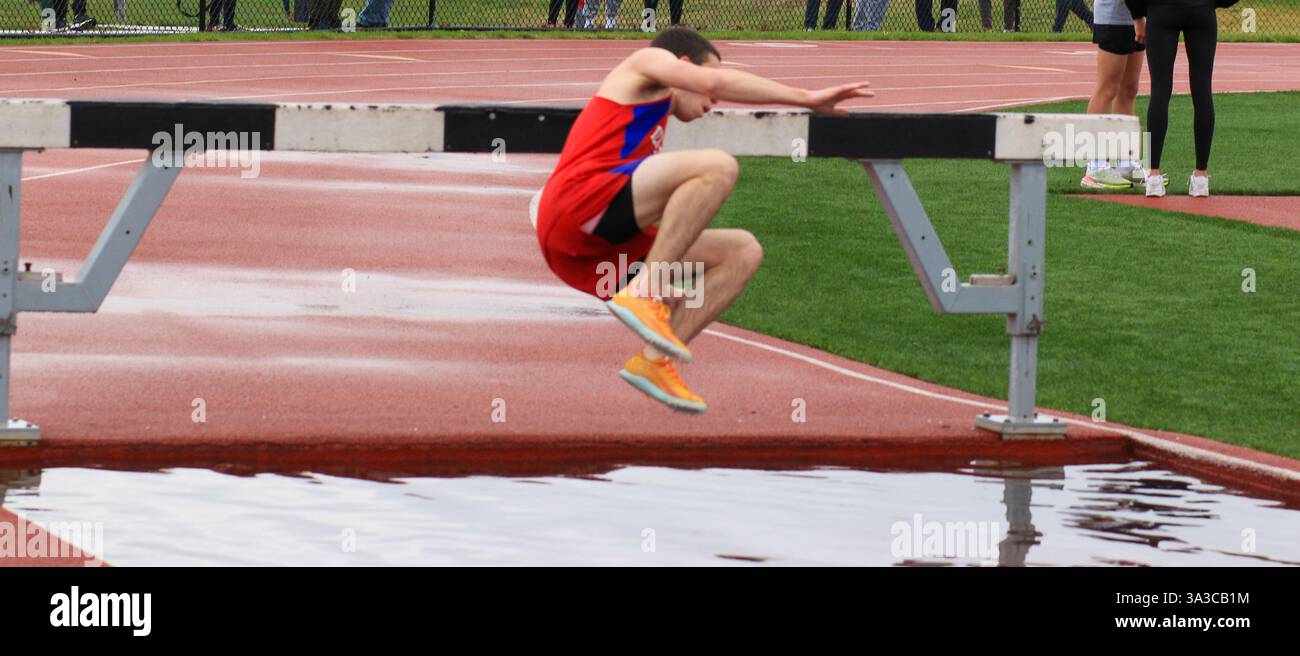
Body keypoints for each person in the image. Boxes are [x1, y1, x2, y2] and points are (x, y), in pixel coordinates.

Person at [533, 27, 871, 413]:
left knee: (742, 251)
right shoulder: (646, 64)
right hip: (575, 206)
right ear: (683, 66)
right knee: (718, 167)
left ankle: (656, 361)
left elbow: (707, 87)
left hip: (594, 248)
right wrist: (806, 98)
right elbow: (713, 81)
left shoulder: (655, 110)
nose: (713, 99)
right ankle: (645, 288)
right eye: (708, 87)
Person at [1128, 0, 1217, 197]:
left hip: (1162, 8)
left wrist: (1138, 13)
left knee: (1159, 90)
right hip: (1200, 9)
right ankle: (1201, 176)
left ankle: (1153, 175)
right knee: (1202, 91)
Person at [1080, 0, 1147, 189]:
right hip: (1114, 17)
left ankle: (1126, 164)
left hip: (1138, 16)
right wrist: (1138, 17)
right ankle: (1095, 166)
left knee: (1129, 89)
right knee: (1108, 88)